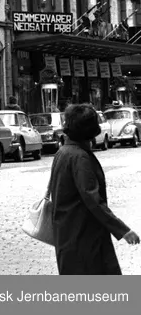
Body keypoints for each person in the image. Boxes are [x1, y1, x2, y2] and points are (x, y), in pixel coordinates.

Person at [48, 103, 140, 274]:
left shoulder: (63, 152)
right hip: (85, 237)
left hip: (68, 235)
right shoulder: (79, 157)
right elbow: (93, 200)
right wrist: (123, 230)